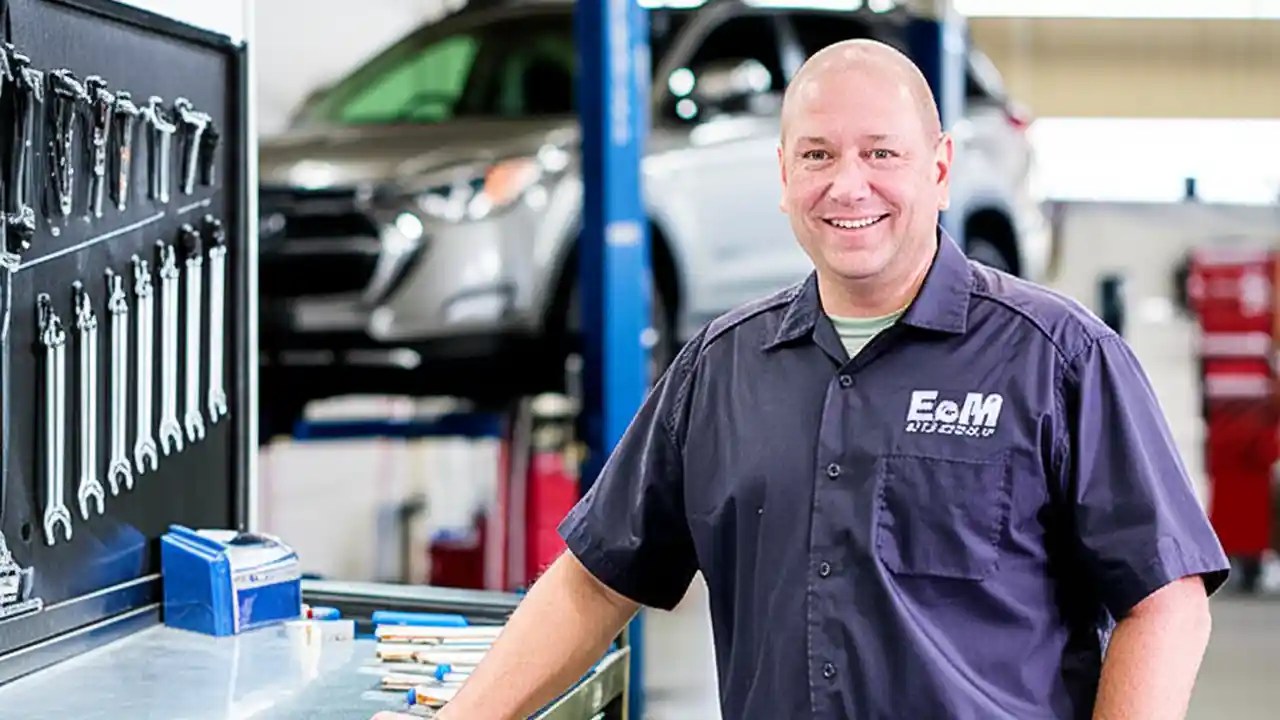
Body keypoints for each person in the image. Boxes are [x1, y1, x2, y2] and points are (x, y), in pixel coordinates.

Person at [375, 39, 1229, 720]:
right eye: (817, 155)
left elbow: (1166, 601)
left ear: (939, 168)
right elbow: (597, 578)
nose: (846, 185)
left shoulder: (1060, 359)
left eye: (880, 153)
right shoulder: (721, 369)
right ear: (783, 175)